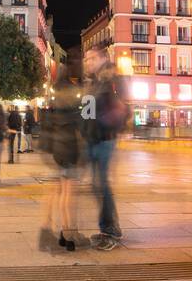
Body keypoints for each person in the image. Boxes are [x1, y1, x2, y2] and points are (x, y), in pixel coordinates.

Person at [82, 45, 127, 249]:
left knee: (101, 184)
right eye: (86, 59)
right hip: (92, 138)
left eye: (91, 58)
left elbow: (124, 108)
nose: (87, 62)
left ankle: (111, 230)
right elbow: (87, 111)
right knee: (96, 184)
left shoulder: (112, 78)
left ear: (102, 58)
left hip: (105, 137)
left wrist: (108, 125)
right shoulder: (92, 81)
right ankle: (108, 228)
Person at [38, 67, 82, 251]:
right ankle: (68, 236)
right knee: (68, 197)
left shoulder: (53, 104)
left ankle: (61, 233)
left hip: (57, 154)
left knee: (59, 195)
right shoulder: (74, 106)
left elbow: (45, 131)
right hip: (71, 152)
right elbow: (82, 130)